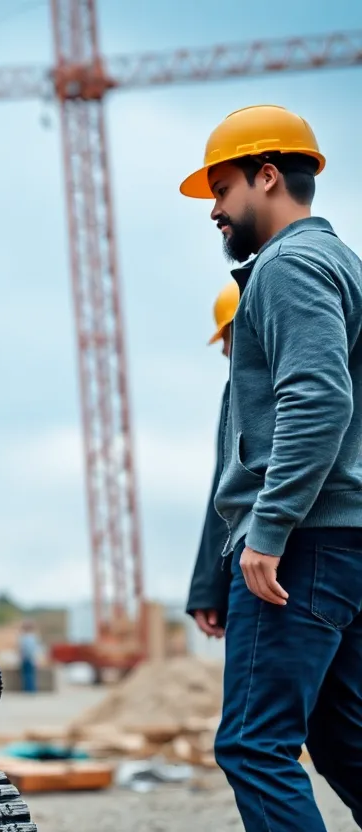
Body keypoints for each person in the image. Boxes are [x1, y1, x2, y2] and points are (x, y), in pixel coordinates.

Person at [181, 103, 362, 831]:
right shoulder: (340, 263)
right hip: (341, 542)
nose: (215, 211)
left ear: (266, 174)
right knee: (345, 742)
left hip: (303, 544)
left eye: (222, 190)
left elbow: (319, 400)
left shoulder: (287, 268)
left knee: (255, 746)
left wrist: (270, 527)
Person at [186, 280, 239, 640]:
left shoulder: (244, 388)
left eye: (225, 337)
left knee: (256, 695)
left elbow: (230, 485)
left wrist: (210, 584)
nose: (223, 350)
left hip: (270, 568)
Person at [17, 620, 41, 693]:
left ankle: (29, 690)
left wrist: (26, 657)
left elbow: (27, 649)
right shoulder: (33, 637)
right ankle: (30, 689)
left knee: (28, 675)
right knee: (29, 675)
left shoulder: (27, 637)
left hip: (28, 659)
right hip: (29, 658)